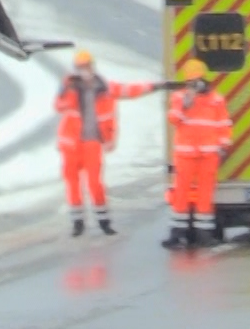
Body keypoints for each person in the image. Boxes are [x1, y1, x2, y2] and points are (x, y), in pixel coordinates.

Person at [55, 49, 163, 236]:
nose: (84, 71)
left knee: (95, 184)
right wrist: (66, 89)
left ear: (92, 66)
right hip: (71, 144)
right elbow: (59, 106)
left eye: (86, 66)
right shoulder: (70, 87)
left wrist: (155, 86)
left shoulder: (104, 87)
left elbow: (129, 90)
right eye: (80, 67)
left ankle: (104, 221)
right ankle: (77, 223)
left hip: (93, 142)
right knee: (73, 184)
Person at [164, 58, 232, 249]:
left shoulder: (217, 100)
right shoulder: (179, 98)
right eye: (191, 82)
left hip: (209, 155)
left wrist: (223, 147)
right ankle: (177, 234)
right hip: (185, 155)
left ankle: (204, 235)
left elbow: (224, 125)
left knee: (205, 196)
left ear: (205, 79)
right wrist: (185, 104)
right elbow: (173, 119)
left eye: (197, 81)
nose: (194, 85)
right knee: (181, 194)